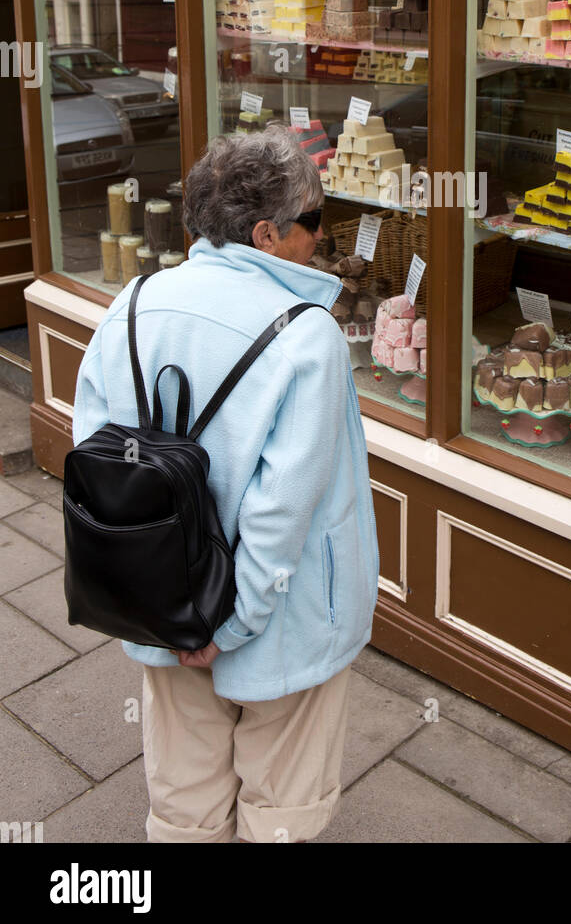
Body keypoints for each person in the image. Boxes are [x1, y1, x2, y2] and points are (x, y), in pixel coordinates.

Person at [72, 127, 379, 843]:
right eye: (312, 221)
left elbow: (95, 453)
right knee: (283, 803)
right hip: (280, 622)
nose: (322, 236)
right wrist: (229, 626)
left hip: (155, 600)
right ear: (268, 235)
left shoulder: (135, 303)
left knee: (183, 797)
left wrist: (177, 616)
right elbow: (281, 511)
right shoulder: (307, 334)